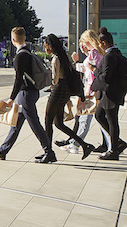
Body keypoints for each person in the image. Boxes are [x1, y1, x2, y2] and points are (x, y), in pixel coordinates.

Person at [0, 27, 51, 162]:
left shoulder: (20, 56)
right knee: (16, 123)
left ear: (13, 39)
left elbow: (18, 79)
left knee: (34, 123)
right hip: (31, 92)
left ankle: (49, 151)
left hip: (26, 94)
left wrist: (11, 97)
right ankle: (3, 150)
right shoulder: (28, 52)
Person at [41, 34, 92, 162]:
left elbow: (55, 79)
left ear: (49, 45)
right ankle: (84, 145)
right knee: (58, 123)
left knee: (48, 122)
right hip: (65, 91)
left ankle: (48, 153)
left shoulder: (56, 59)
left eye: (45, 45)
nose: (44, 48)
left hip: (58, 90)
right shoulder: (64, 57)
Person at [91, 28, 127, 160]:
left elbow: (105, 77)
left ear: (103, 42)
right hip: (113, 92)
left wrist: (95, 70)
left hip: (111, 92)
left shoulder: (109, 56)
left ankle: (114, 150)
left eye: (100, 43)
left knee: (112, 120)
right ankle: (117, 143)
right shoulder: (116, 53)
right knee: (99, 115)